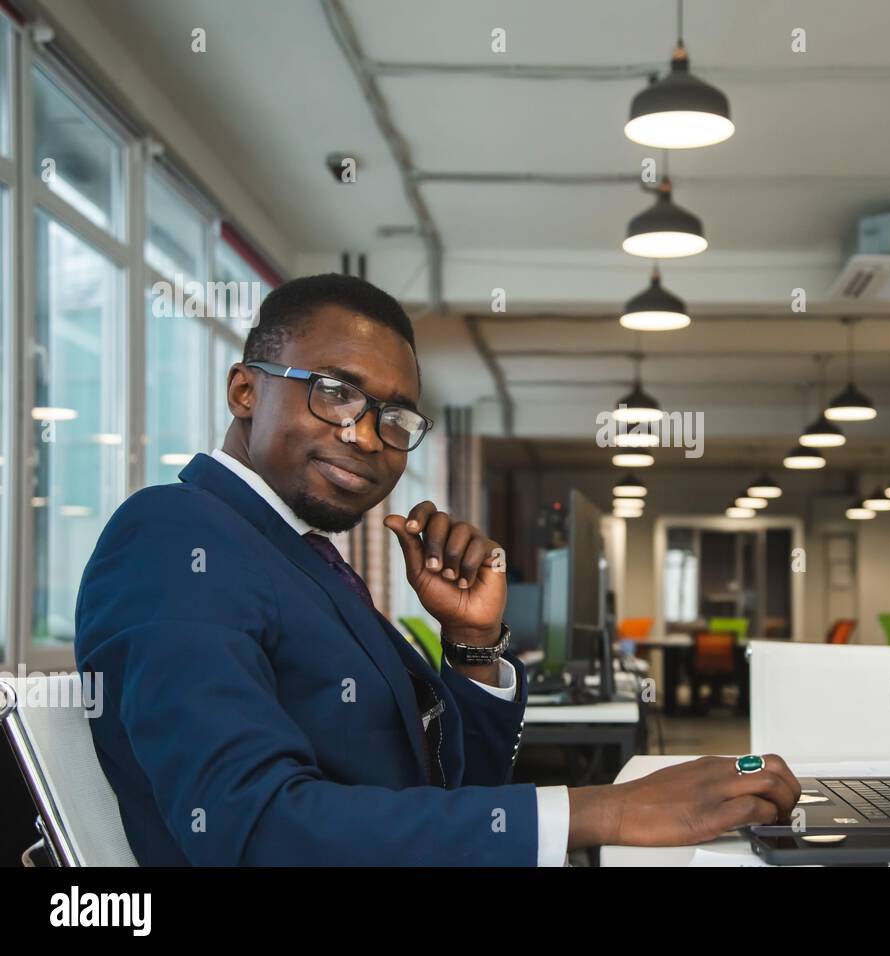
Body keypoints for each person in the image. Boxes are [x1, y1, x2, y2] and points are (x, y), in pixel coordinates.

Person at [74, 273, 799, 865]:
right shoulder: (174, 535)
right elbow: (255, 828)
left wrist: (473, 646)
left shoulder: (294, 552)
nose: (366, 437)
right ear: (244, 390)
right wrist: (601, 810)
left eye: (396, 417)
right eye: (334, 391)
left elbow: (452, 786)